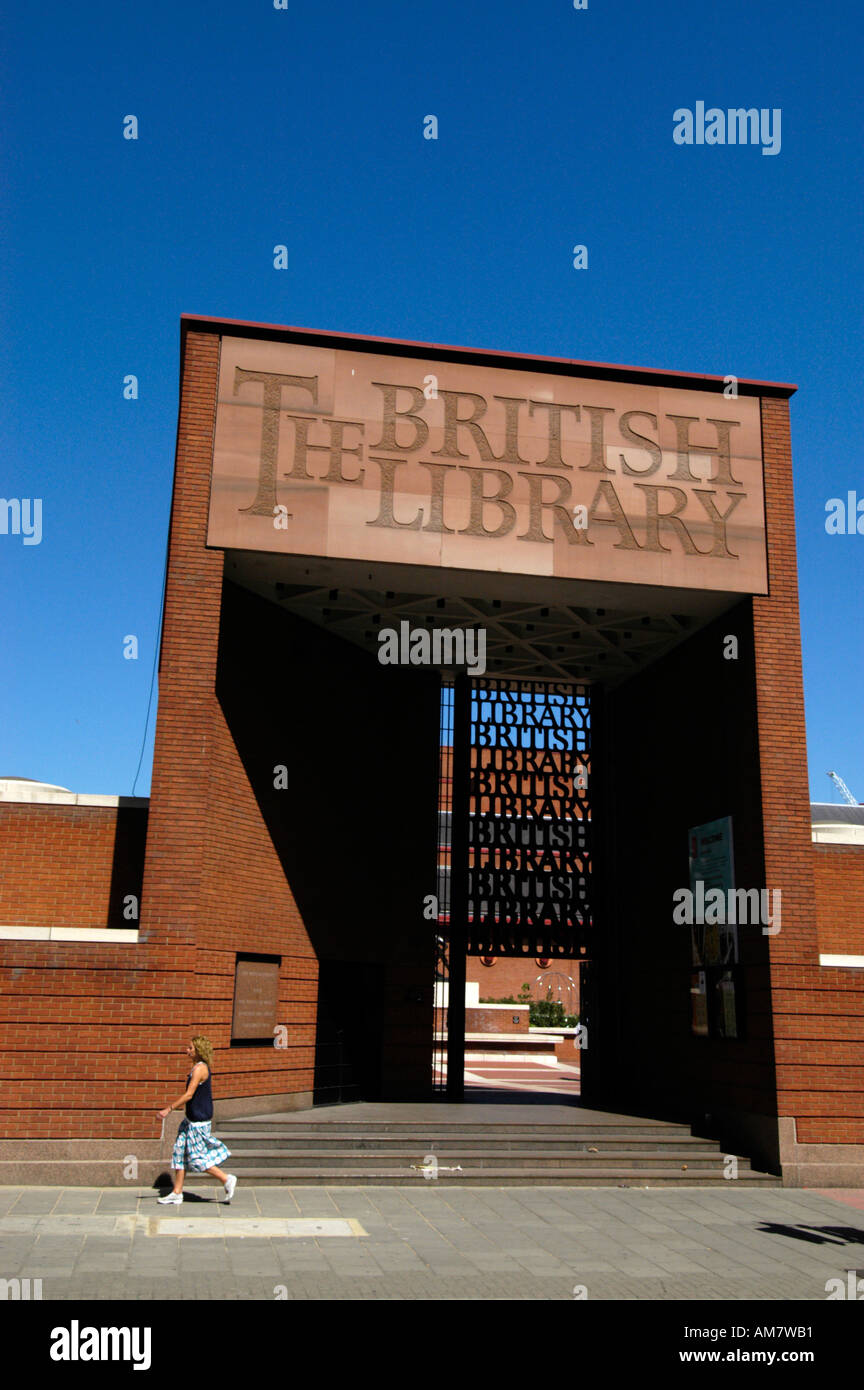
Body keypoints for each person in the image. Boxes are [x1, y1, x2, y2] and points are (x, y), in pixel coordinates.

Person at [156, 1036, 236, 1204]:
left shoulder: (200, 1069)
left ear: (198, 1051)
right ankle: (177, 1192)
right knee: (179, 1152)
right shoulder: (196, 1068)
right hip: (190, 1121)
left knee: (197, 1159)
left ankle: (226, 1178)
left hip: (198, 1123)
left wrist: (168, 1109)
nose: (187, 1050)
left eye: (190, 1048)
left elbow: (189, 1095)